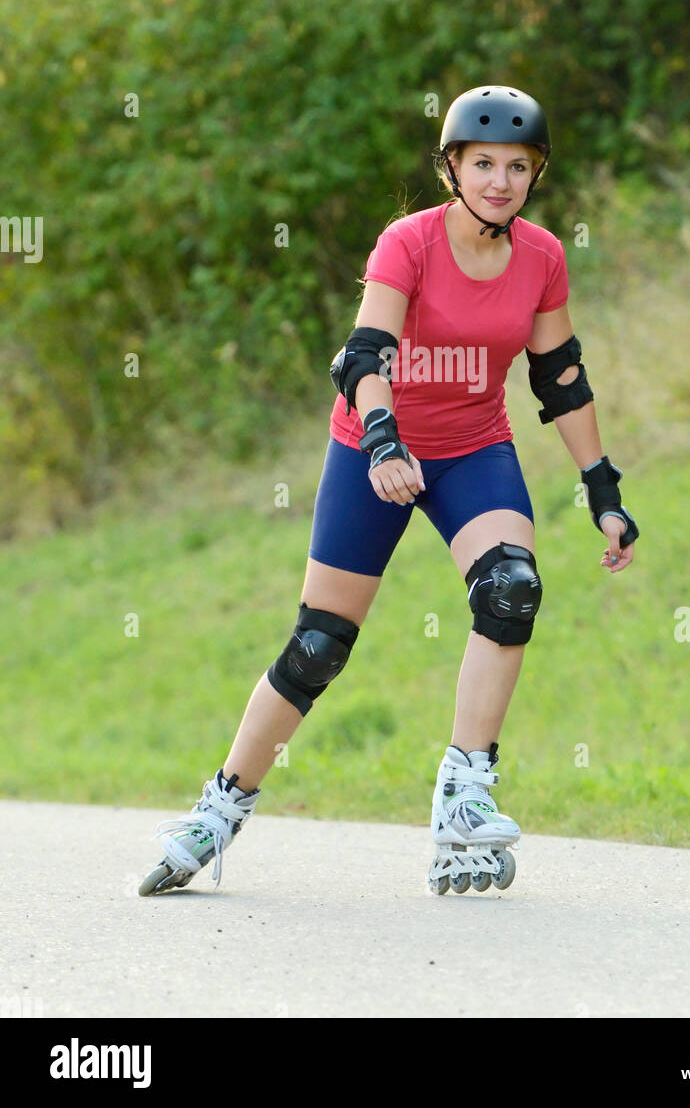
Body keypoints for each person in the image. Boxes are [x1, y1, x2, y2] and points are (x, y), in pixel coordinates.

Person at [139, 84, 639, 898]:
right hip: (376, 449)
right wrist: (381, 438)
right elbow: (364, 356)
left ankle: (464, 792)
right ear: (452, 168)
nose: (501, 181)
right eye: (484, 164)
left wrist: (602, 488)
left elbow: (560, 378)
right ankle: (219, 808)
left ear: (536, 174)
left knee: (511, 589)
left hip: (475, 450)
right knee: (319, 646)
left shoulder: (543, 256)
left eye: (519, 166)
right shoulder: (407, 243)